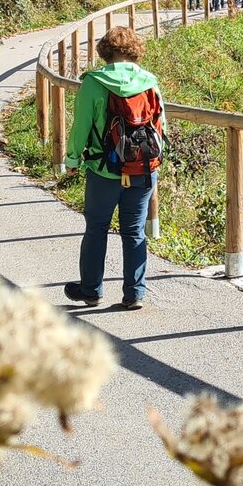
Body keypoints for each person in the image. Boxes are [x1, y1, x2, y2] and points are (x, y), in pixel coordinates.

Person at [64, 27, 162, 309]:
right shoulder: (150, 81)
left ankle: (91, 290)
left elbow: (80, 127)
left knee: (96, 228)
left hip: (103, 169)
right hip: (141, 168)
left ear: (105, 52)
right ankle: (135, 293)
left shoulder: (93, 83)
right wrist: (152, 162)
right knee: (134, 231)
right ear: (135, 51)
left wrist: (72, 160)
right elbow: (160, 126)